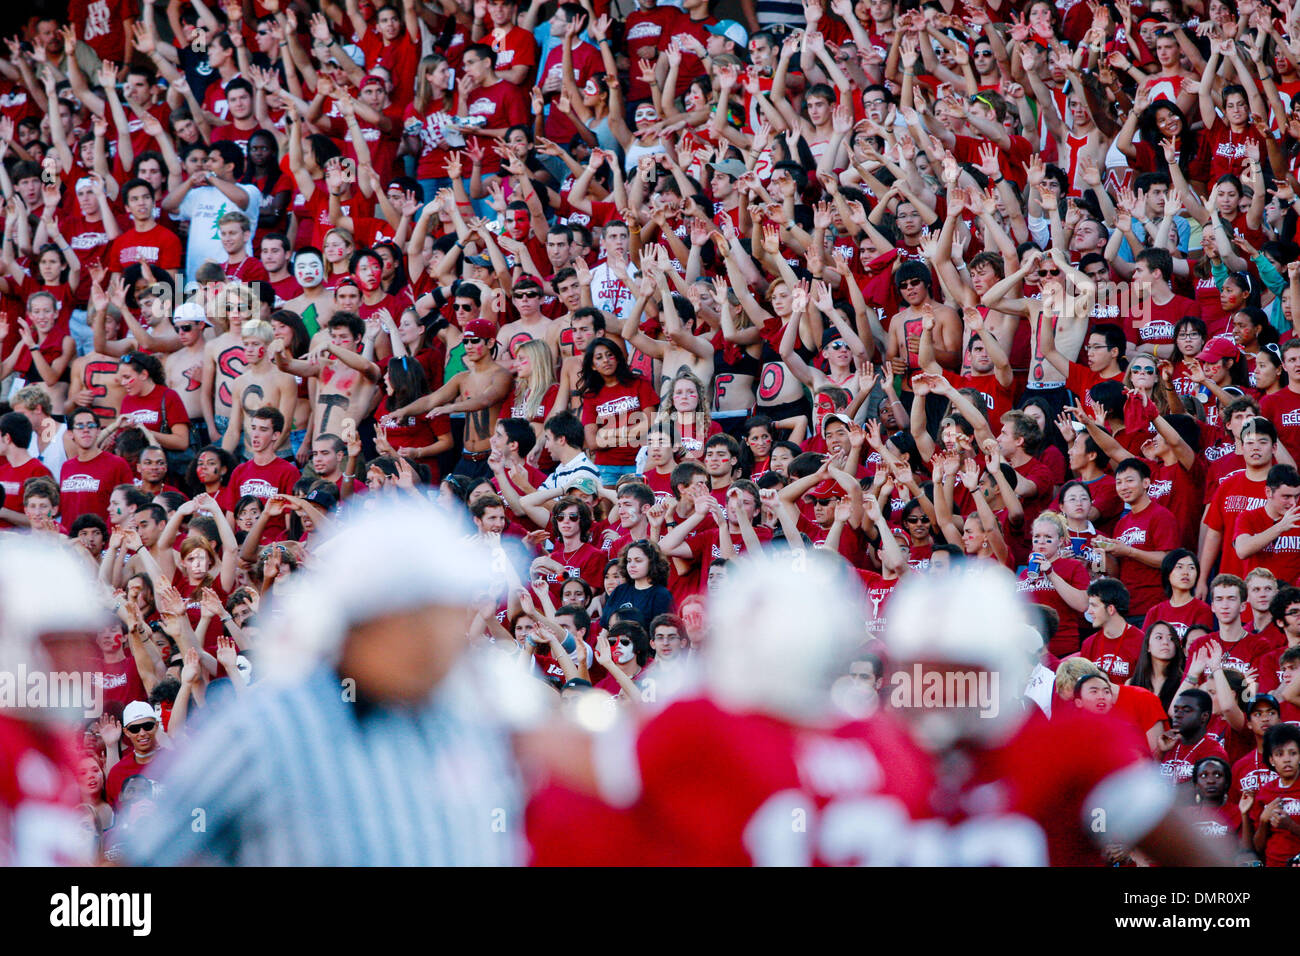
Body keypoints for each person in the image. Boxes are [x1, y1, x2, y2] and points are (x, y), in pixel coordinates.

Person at [124, 500, 529, 865]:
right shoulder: (262, 729)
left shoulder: (472, 721)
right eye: (433, 616)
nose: (449, 634)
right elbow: (144, 856)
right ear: (373, 620)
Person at [885, 565, 1228, 865]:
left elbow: (1199, 859)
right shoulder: (869, 751)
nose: (937, 694)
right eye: (920, 675)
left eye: (955, 674)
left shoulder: (1073, 743)